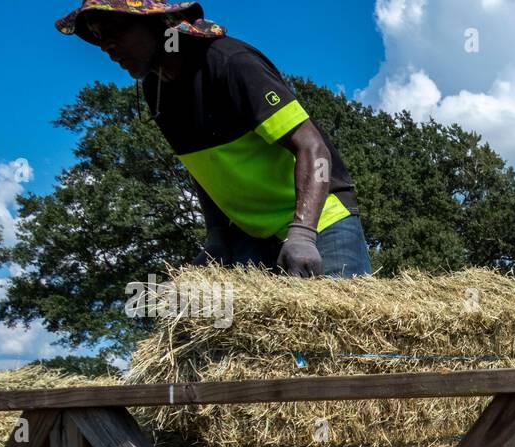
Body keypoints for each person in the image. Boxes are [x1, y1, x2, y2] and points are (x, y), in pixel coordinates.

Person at [55, 1, 371, 277]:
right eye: (98, 37)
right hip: (253, 233)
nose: (107, 46)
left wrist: (302, 232)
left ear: (156, 23)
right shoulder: (157, 89)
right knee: (247, 341)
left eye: (114, 30)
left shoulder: (230, 63)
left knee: (340, 340)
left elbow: (313, 148)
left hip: (320, 220)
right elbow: (204, 168)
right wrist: (216, 237)